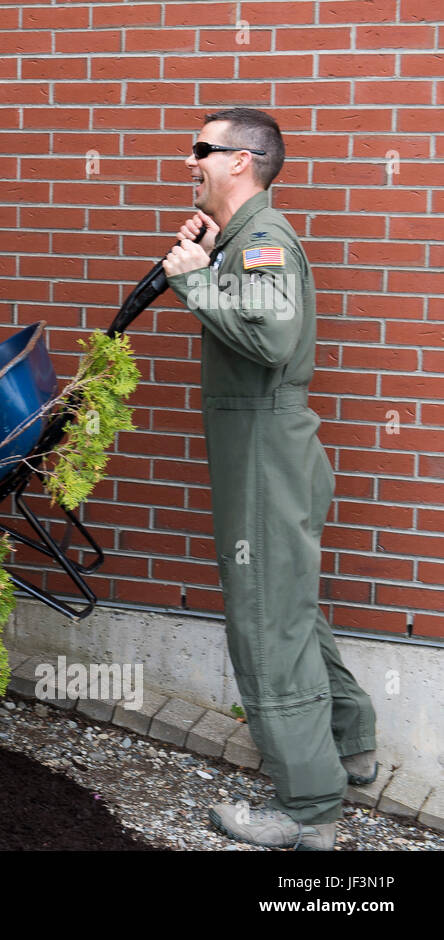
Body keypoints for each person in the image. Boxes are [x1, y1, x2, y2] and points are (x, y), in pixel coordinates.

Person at [161, 108, 378, 851]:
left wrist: (194, 284)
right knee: (287, 604)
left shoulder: (263, 241)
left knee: (263, 620)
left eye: (203, 151)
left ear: (241, 163)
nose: (190, 161)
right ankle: (349, 744)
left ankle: (309, 811)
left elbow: (272, 336)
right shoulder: (243, 240)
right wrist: (211, 260)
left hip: (263, 450)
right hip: (270, 447)